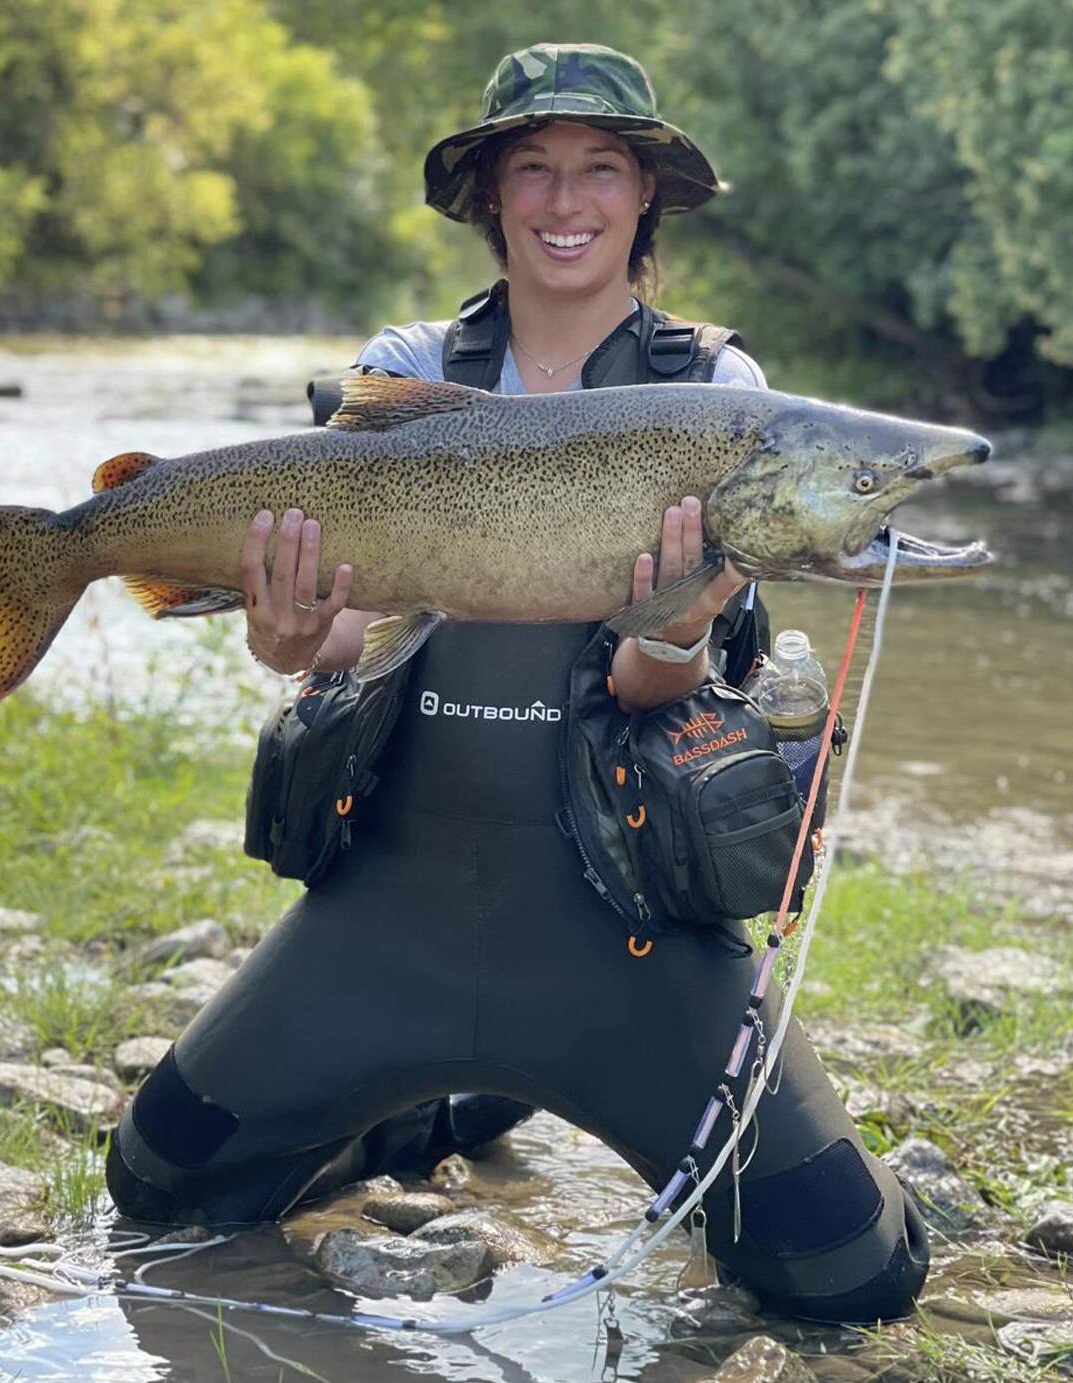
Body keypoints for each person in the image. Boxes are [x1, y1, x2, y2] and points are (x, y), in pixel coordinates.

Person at [108, 43, 929, 1324]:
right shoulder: (407, 361)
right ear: (489, 195)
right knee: (158, 1188)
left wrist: (676, 623)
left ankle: (478, 1087)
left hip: (631, 933)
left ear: (645, 195)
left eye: (599, 169)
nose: (564, 200)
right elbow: (337, 642)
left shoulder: (719, 397)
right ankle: (436, 1104)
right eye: (532, 169)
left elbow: (654, 688)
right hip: (391, 908)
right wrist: (282, 633)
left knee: (851, 1276)